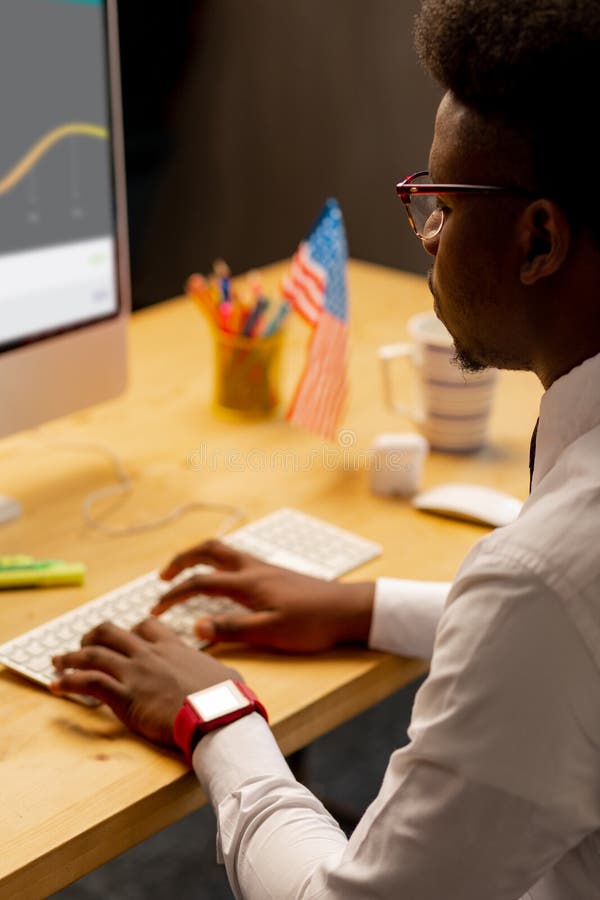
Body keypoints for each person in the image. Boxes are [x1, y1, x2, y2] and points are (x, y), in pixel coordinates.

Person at [51, 0, 600, 896]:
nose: (425, 234)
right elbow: (568, 643)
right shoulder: (553, 588)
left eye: (442, 205)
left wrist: (217, 716)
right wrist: (361, 606)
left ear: (538, 237)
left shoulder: (544, 579)